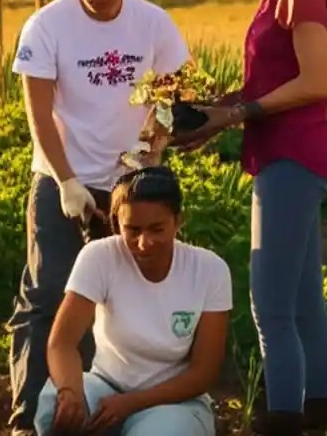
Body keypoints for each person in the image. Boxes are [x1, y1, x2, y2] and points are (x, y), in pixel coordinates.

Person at [173, 0, 327, 435]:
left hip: (290, 159)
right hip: (294, 158)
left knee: (270, 306)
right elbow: (271, 81)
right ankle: (319, 416)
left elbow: (315, 82)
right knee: (302, 301)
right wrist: (213, 113)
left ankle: (281, 422)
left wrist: (237, 114)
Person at [7, 0, 190, 434]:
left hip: (132, 182)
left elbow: (173, 98)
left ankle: (116, 406)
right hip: (62, 178)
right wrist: (66, 181)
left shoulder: (154, 24)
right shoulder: (46, 25)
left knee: (124, 292)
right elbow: (39, 114)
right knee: (49, 294)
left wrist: (149, 153)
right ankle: (31, 416)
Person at [34, 166, 231, 436]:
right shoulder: (99, 257)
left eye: (156, 229)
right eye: (132, 230)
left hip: (175, 401)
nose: (143, 242)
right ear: (117, 225)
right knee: (54, 411)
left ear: (178, 221)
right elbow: (62, 343)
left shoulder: (210, 270)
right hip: (106, 384)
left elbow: (203, 373)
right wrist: (70, 392)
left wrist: (129, 404)